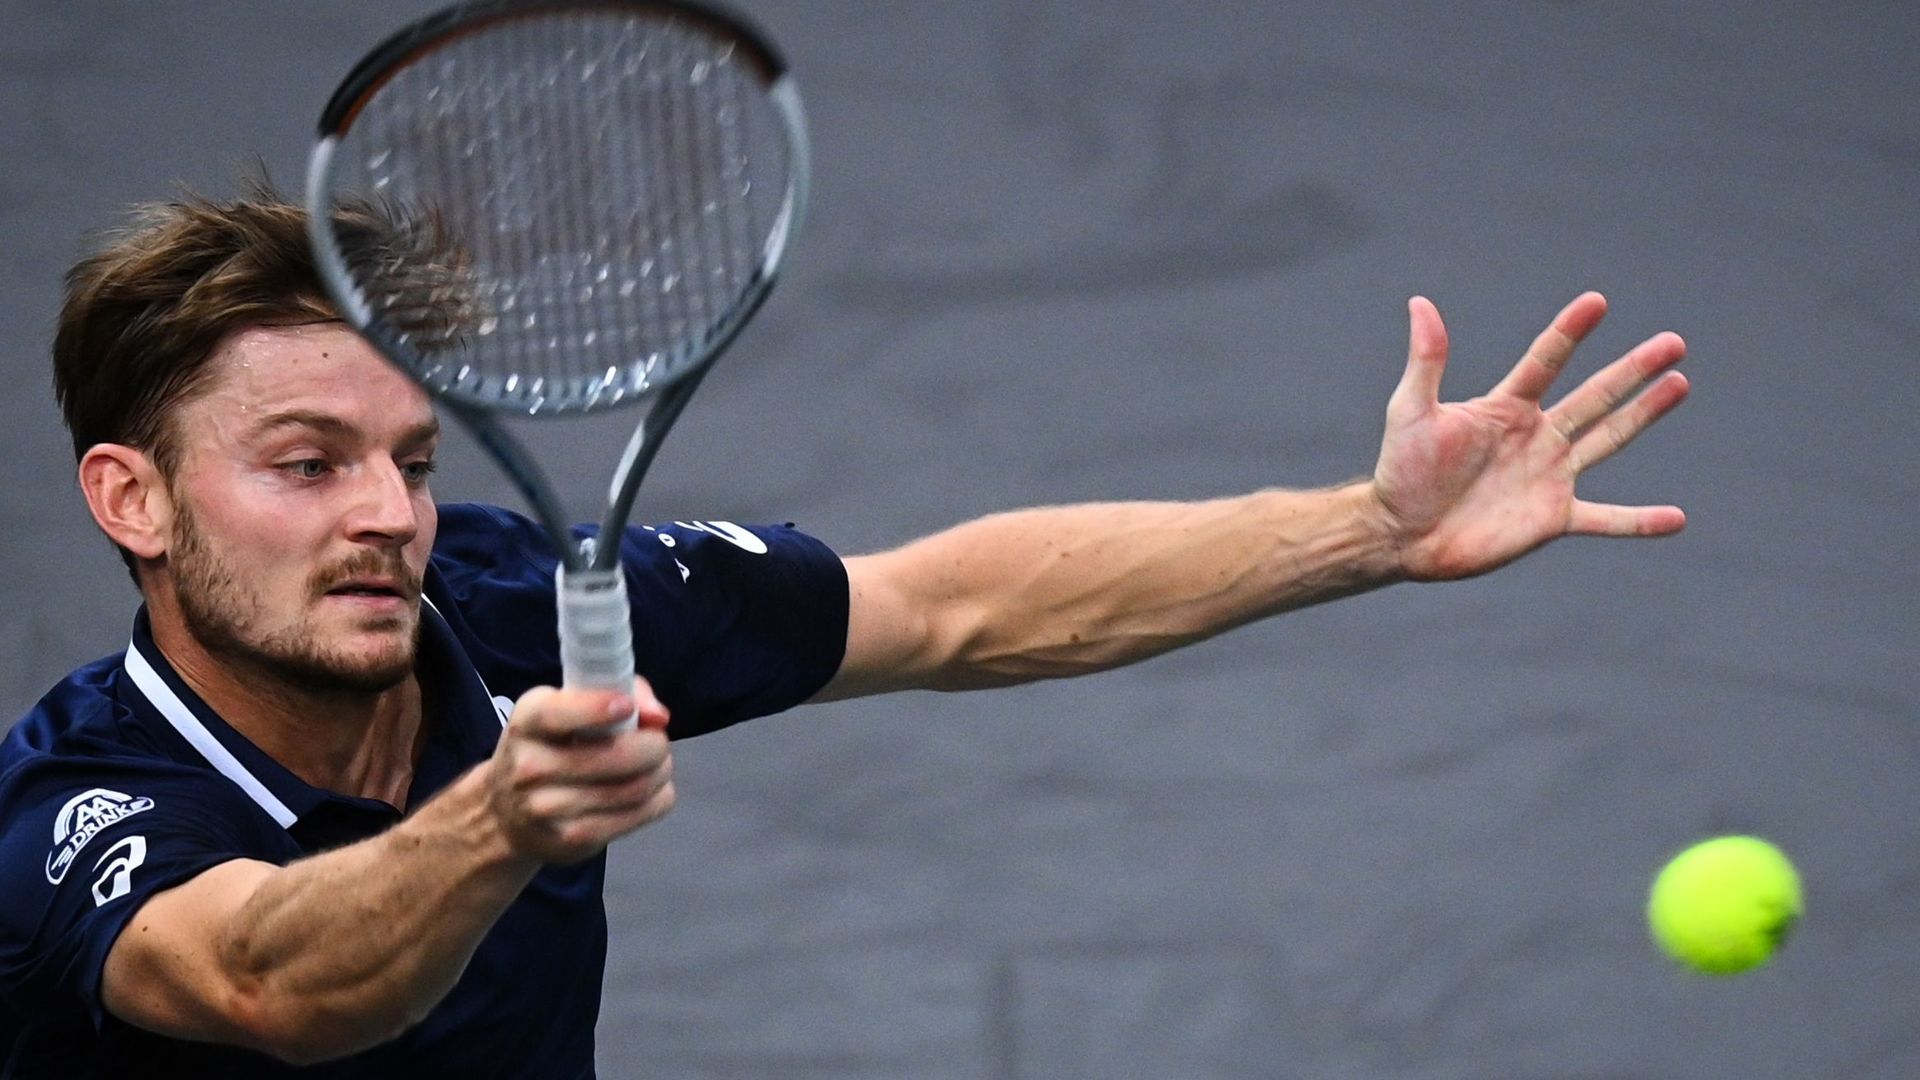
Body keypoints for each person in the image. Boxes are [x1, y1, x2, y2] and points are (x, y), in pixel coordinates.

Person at [0, 190, 1689, 1076]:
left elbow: (959, 604)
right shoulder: (76, 809)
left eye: (410, 459)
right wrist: (499, 823)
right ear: (134, 500)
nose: (385, 512)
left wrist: (1370, 529)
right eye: (307, 464)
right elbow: (269, 980)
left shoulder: (514, 604)